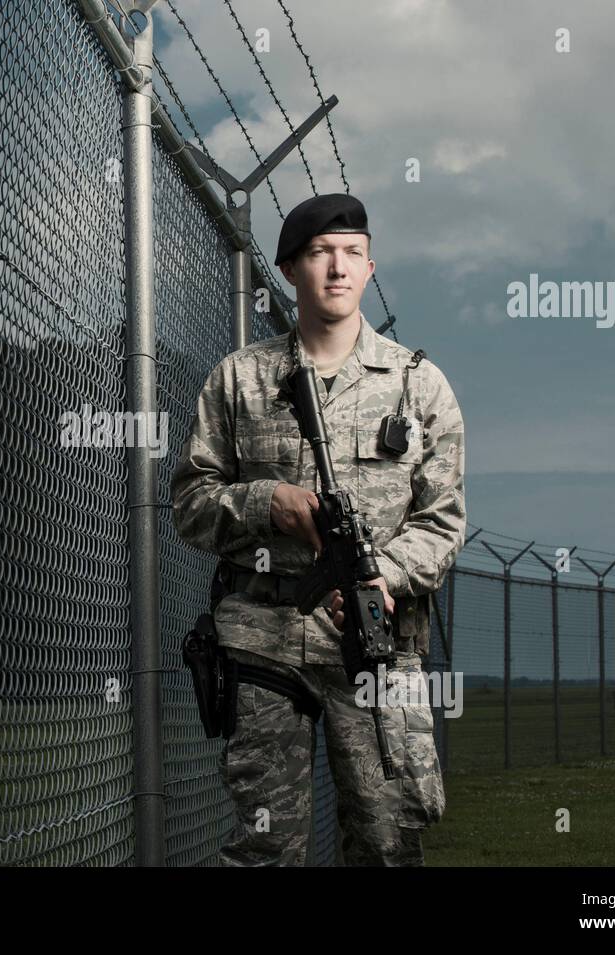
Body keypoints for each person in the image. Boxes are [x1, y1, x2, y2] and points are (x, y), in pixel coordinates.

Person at [169, 193, 466, 866]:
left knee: (389, 838)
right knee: (267, 845)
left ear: (369, 269)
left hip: (375, 636)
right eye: (319, 254)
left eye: (352, 254)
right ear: (291, 269)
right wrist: (269, 503)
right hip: (263, 638)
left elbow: (442, 522)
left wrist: (380, 576)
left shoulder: (419, 385)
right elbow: (190, 503)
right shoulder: (239, 380)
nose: (337, 267)